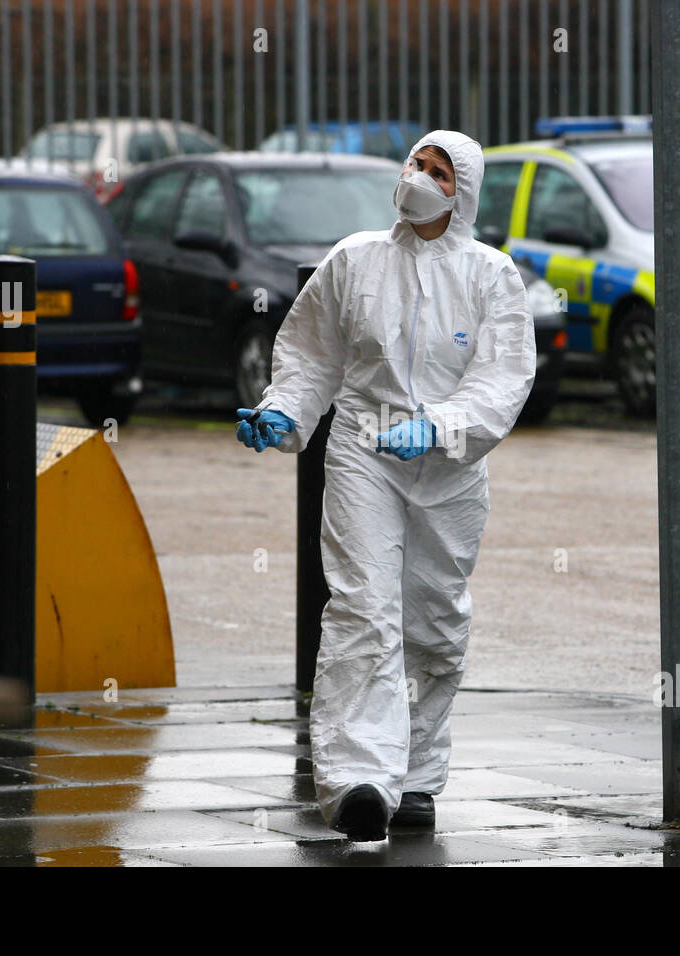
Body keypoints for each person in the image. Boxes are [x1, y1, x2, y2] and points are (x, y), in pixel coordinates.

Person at [235, 129, 536, 841]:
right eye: (416, 162)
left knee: (433, 622)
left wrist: (441, 425)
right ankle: (358, 779)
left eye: (439, 171)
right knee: (363, 606)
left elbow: (503, 378)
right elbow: (311, 354)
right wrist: (282, 411)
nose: (420, 176)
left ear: (463, 193)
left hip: (450, 470)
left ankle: (420, 775)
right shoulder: (355, 260)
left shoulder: (492, 276)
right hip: (364, 450)